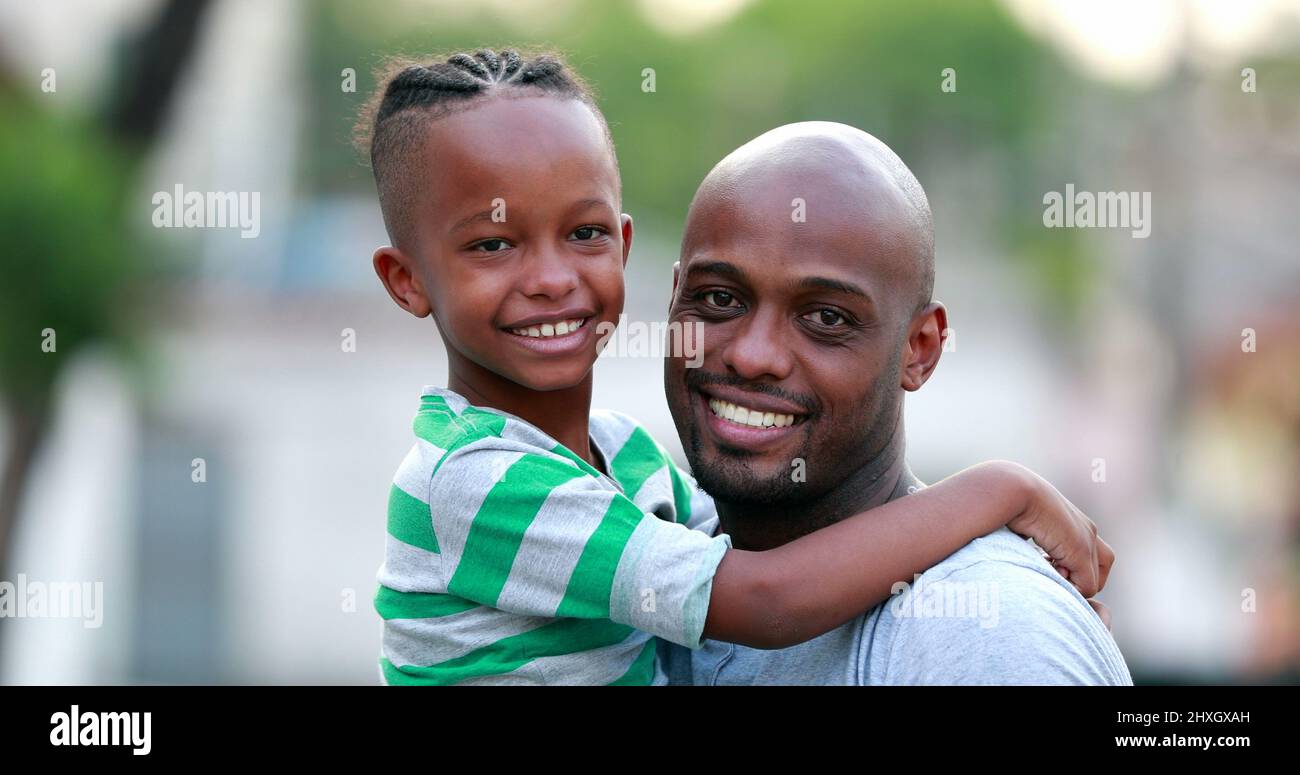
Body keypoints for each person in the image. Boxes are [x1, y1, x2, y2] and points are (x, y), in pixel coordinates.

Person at [358, 49, 1110, 685]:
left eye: (826, 317)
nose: (552, 278)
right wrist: (998, 488)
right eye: (493, 244)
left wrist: (1017, 578)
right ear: (407, 279)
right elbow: (764, 596)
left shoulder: (985, 628)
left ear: (622, 247)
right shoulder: (475, 480)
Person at [659, 121, 1132, 684]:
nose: (753, 355)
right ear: (673, 298)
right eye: (719, 298)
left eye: (826, 317)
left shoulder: (981, 630)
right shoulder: (633, 552)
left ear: (920, 349)